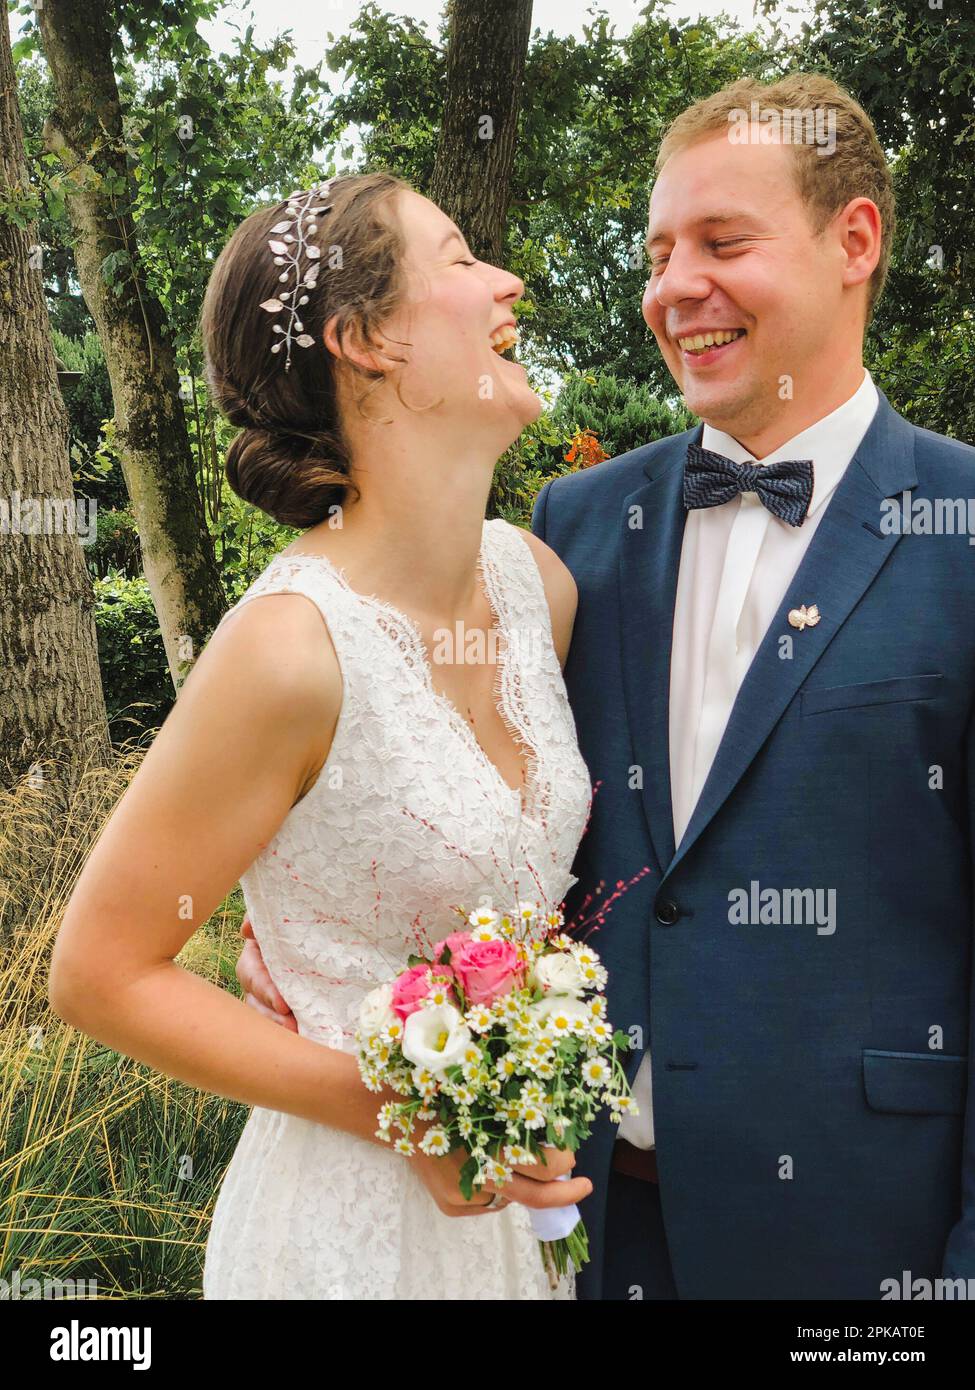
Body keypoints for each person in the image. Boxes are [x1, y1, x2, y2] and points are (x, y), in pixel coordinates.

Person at [242, 74, 975, 1301]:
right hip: (569, 1241)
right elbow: (477, 815)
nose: (673, 286)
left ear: (856, 241)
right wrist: (331, 978)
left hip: (866, 1255)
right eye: (659, 251)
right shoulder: (569, 532)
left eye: (722, 242)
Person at [48, 171, 595, 1299]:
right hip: (339, 1236)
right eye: (458, 259)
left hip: (502, 1230)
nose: (508, 281)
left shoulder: (538, 587)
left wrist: (524, 1098)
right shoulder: (289, 653)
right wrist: (405, 1109)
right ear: (364, 341)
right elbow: (100, 971)